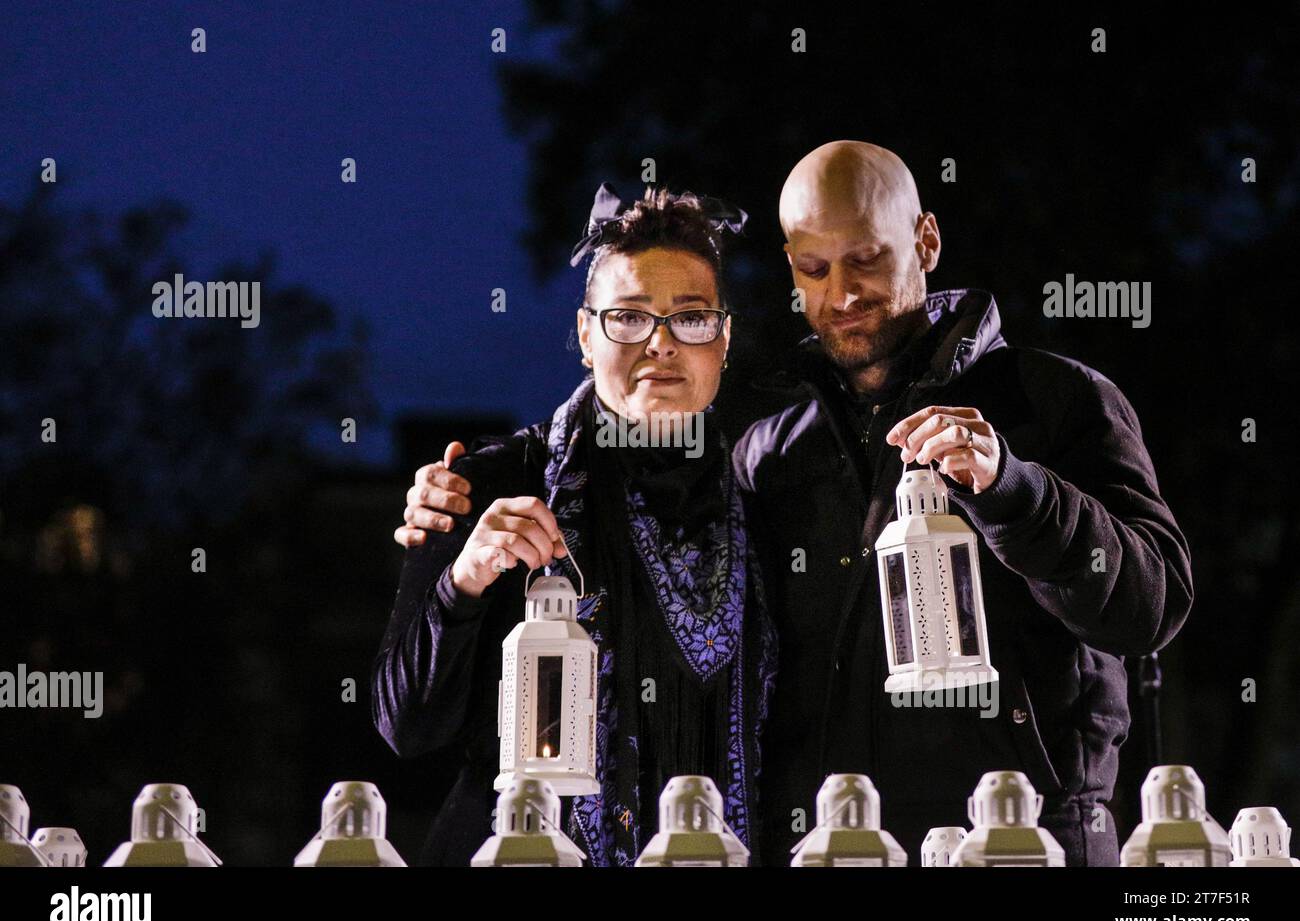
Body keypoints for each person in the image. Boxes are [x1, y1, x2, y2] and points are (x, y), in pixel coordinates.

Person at [400, 141, 1194, 867]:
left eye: (866, 259)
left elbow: (1151, 608)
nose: (841, 293)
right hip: (828, 847)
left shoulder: (1050, 400)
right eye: (814, 268)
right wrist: (463, 508)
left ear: (926, 241)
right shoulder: (771, 449)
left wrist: (1014, 487)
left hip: (1020, 843)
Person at [372, 183, 778, 866]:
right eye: (629, 317)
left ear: (724, 338)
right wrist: (463, 583)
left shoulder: (764, 494)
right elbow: (405, 726)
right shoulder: (494, 486)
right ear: (587, 335)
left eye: (691, 318)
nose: (661, 343)